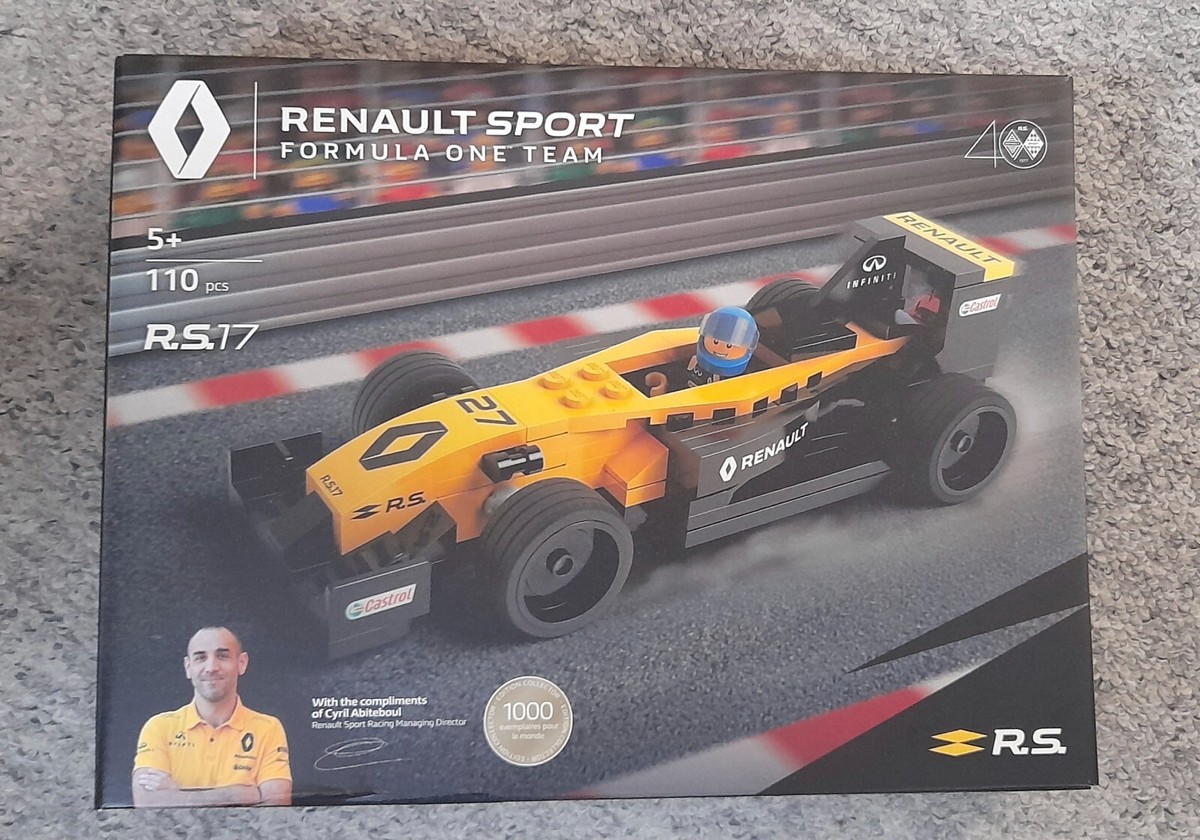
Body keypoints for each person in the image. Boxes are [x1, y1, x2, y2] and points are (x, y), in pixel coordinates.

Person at [132, 626, 292, 807]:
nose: (211, 668)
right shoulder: (159, 727)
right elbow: (145, 801)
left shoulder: (267, 728)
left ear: (242, 663)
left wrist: (177, 795)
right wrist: (238, 795)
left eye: (222, 656)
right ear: (188, 667)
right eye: (200, 658)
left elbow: (277, 803)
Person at [646, 306, 761, 395]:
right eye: (716, 342)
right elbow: (679, 376)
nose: (721, 348)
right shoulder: (694, 361)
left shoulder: (736, 381)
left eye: (729, 346)